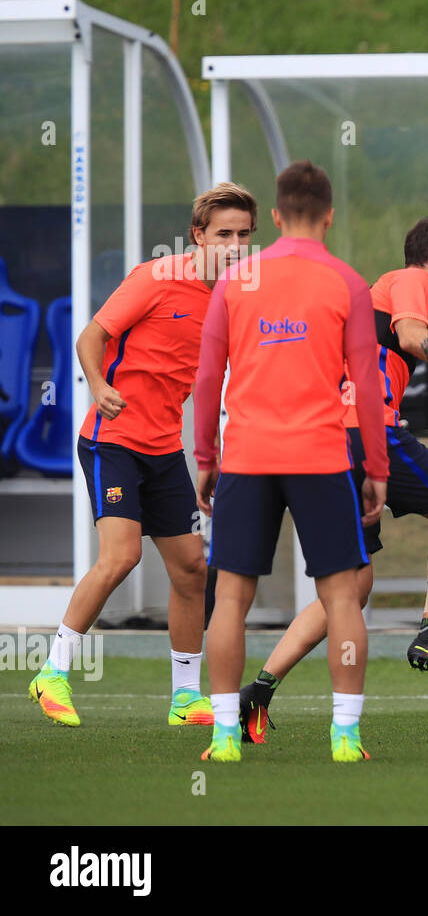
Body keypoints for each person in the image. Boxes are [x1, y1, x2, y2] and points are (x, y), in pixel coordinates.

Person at [235, 216, 428, 742]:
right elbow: (416, 339)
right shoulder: (410, 279)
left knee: (353, 588)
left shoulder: (371, 294)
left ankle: (258, 688)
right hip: (366, 430)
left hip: (325, 441)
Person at [28, 183, 257, 729]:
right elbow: (91, 336)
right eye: (223, 234)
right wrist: (98, 384)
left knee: (191, 570)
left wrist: (213, 452)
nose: (234, 245)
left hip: (163, 449)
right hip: (112, 438)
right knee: (121, 556)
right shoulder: (155, 278)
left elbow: (217, 381)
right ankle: (52, 672)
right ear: (197, 235)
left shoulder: (236, 298)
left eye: (244, 235)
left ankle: (185, 699)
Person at [193, 161, 388, 763]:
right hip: (321, 457)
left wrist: (206, 455)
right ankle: (346, 737)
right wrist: (375, 467)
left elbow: (207, 378)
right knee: (341, 598)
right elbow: (368, 384)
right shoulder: (348, 282)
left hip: (248, 456)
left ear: (273, 217)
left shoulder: (236, 281)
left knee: (231, 597)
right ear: (329, 217)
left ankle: (225, 735)